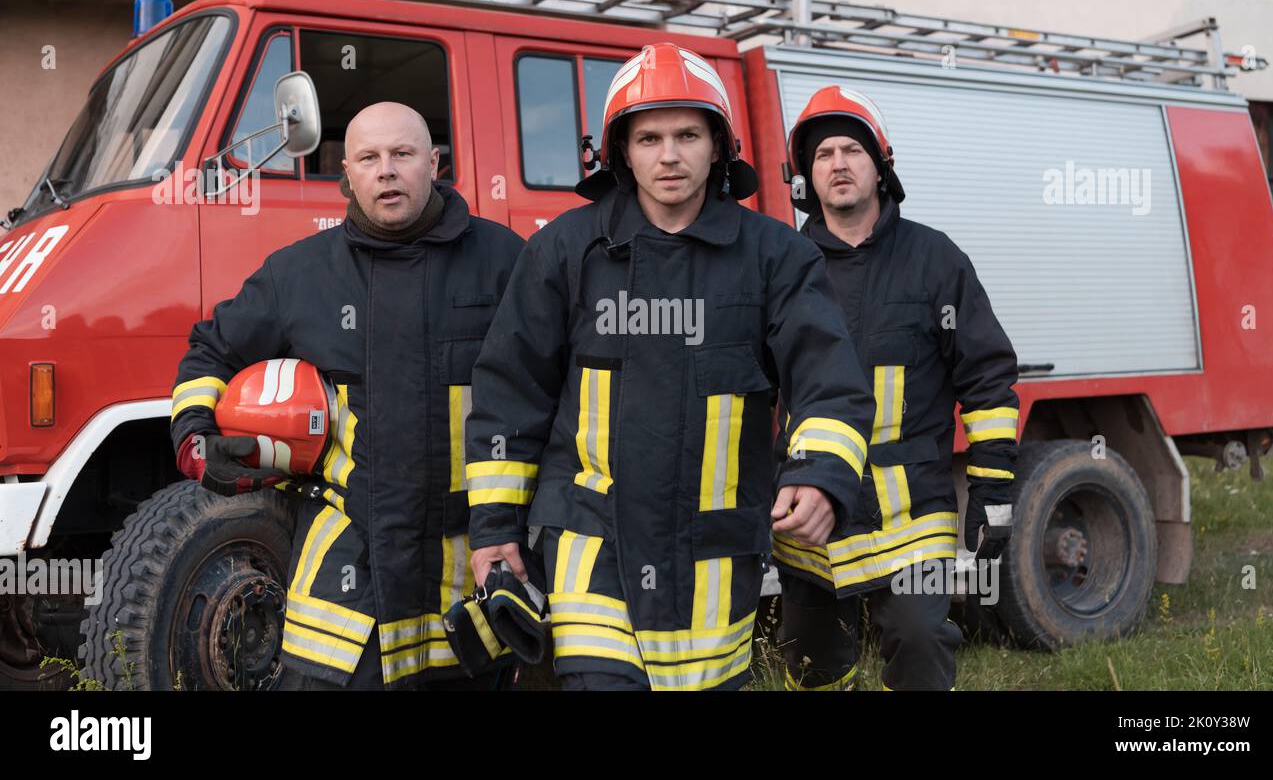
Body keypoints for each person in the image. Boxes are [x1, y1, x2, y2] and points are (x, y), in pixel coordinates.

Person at [463, 43, 874, 691]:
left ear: (719, 145)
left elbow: (829, 379)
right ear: (622, 151)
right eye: (649, 136)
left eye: (688, 133)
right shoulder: (566, 251)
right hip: (592, 547)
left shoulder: (776, 257)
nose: (670, 154)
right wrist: (492, 527)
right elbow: (509, 396)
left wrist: (821, 474)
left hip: (712, 558)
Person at [170, 102, 524, 689]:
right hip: (347, 567)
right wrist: (197, 436)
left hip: (468, 565)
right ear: (347, 175)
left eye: (403, 154)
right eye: (369, 158)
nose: (387, 170)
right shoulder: (298, 275)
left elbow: (546, 390)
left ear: (433, 164)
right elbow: (212, 350)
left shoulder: (505, 262)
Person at [775, 85, 1020, 691]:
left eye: (852, 149)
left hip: (914, 515)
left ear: (880, 164)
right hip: (813, 519)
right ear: (806, 172)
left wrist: (992, 493)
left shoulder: (935, 260)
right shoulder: (783, 263)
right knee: (812, 665)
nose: (838, 163)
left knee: (920, 641)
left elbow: (987, 379)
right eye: (824, 152)